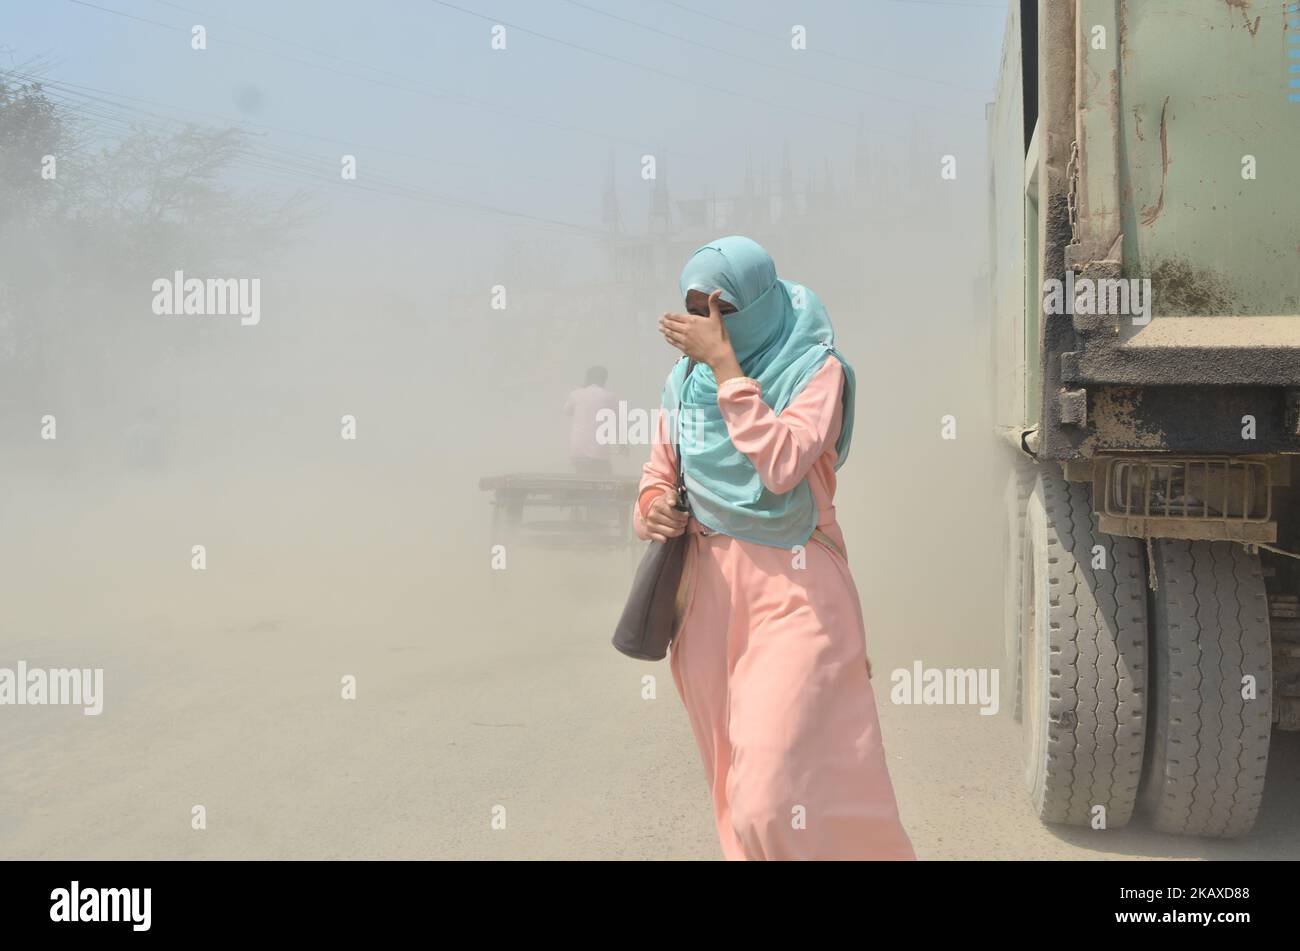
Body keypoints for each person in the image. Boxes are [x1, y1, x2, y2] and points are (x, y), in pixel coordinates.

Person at [633, 235, 915, 861]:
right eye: (694, 306)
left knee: (774, 793)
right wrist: (653, 513)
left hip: (795, 590)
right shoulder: (681, 385)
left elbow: (783, 463)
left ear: (758, 305)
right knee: (733, 787)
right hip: (706, 600)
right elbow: (657, 476)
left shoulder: (815, 369)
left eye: (722, 309)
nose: (707, 325)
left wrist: (729, 372)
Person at [564, 365, 619, 474]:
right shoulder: (609, 396)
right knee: (606, 481)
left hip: (577, 452)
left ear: (587, 378)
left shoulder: (576, 394)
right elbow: (616, 422)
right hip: (599, 453)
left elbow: (567, 411)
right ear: (604, 379)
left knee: (583, 478)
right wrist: (622, 444)